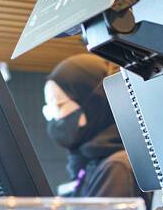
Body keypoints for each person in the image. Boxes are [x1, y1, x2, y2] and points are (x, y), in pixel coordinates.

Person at [42, 54, 140, 198]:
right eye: (48, 105)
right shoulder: (89, 163)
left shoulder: (117, 167)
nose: (51, 115)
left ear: (94, 104)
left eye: (58, 104)